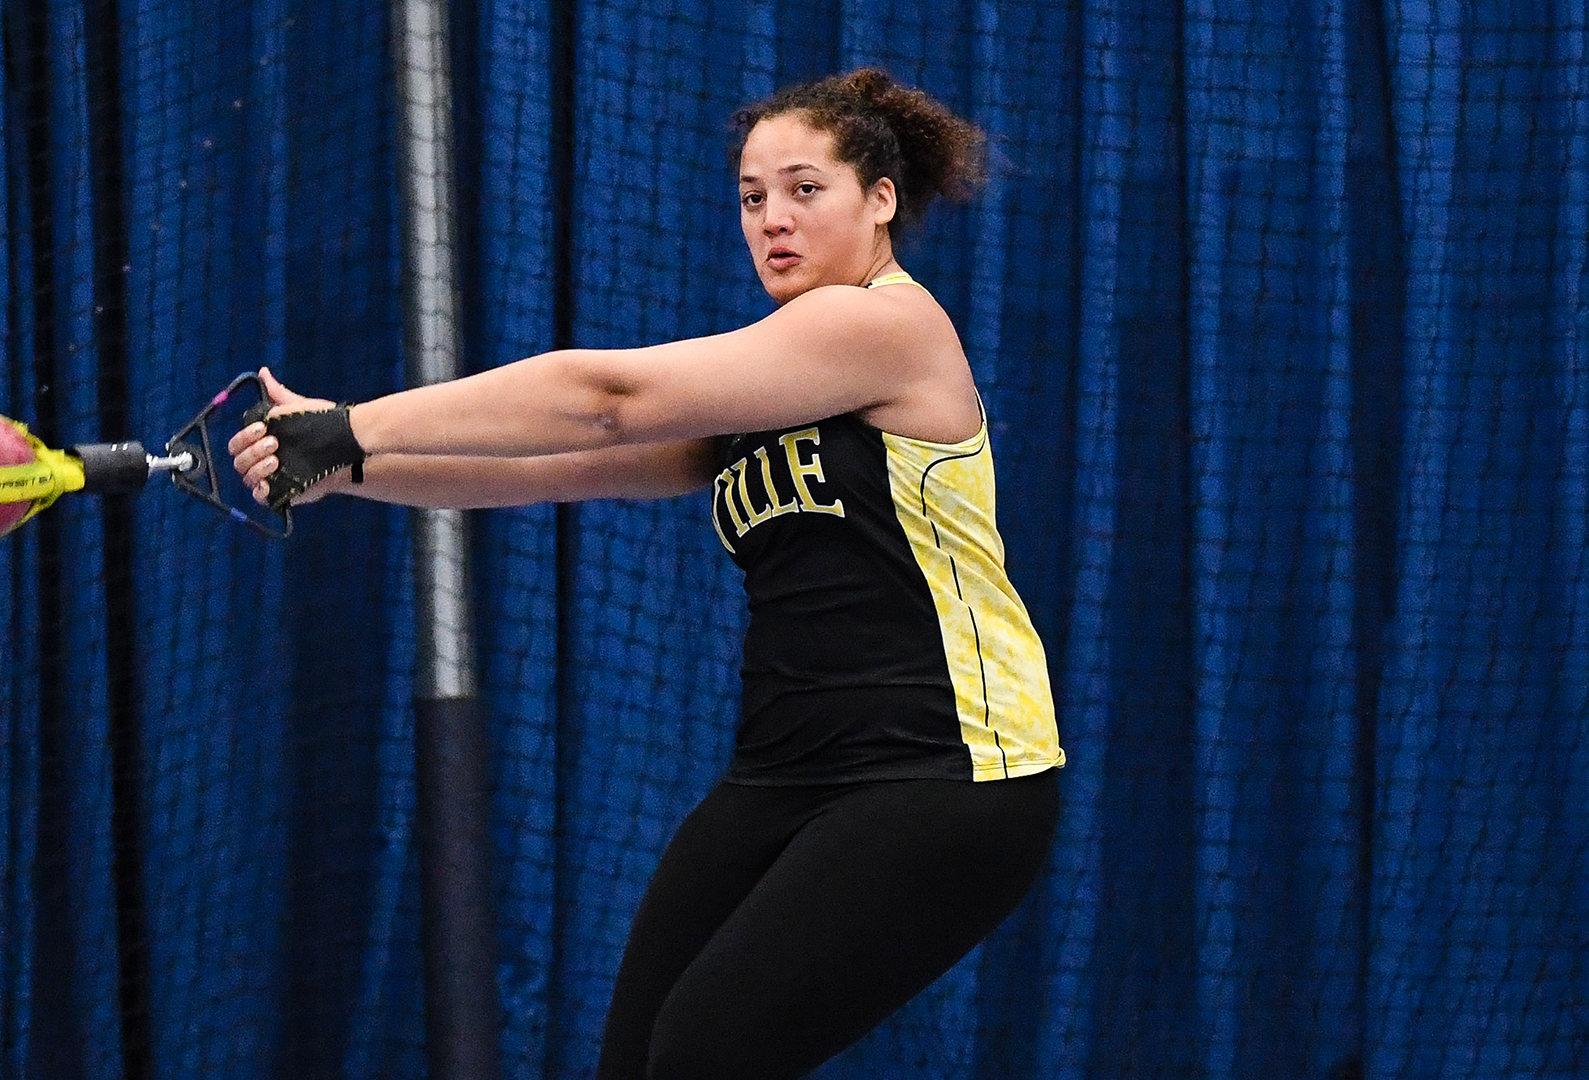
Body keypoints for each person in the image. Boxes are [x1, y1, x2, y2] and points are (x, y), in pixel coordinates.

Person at [229, 67, 1063, 1080]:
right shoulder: (775, 377)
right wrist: (348, 470)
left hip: (947, 778)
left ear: (880, 200)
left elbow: (610, 397)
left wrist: (352, 423)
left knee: (704, 1052)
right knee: (639, 1060)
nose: (773, 219)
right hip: (790, 772)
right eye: (753, 197)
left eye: (806, 189)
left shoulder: (886, 325)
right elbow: (563, 466)